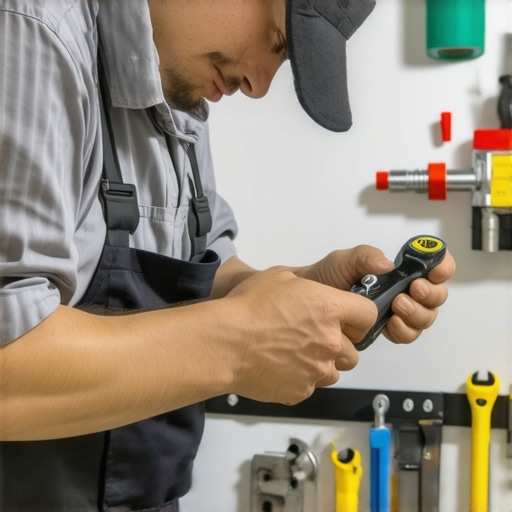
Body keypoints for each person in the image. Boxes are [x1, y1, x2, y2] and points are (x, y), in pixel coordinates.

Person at [0, 0, 456, 510]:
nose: (259, 85)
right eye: (277, 43)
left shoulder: (180, 85)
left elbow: (202, 267)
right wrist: (243, 345)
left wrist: (304, 293)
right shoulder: (36, 32)